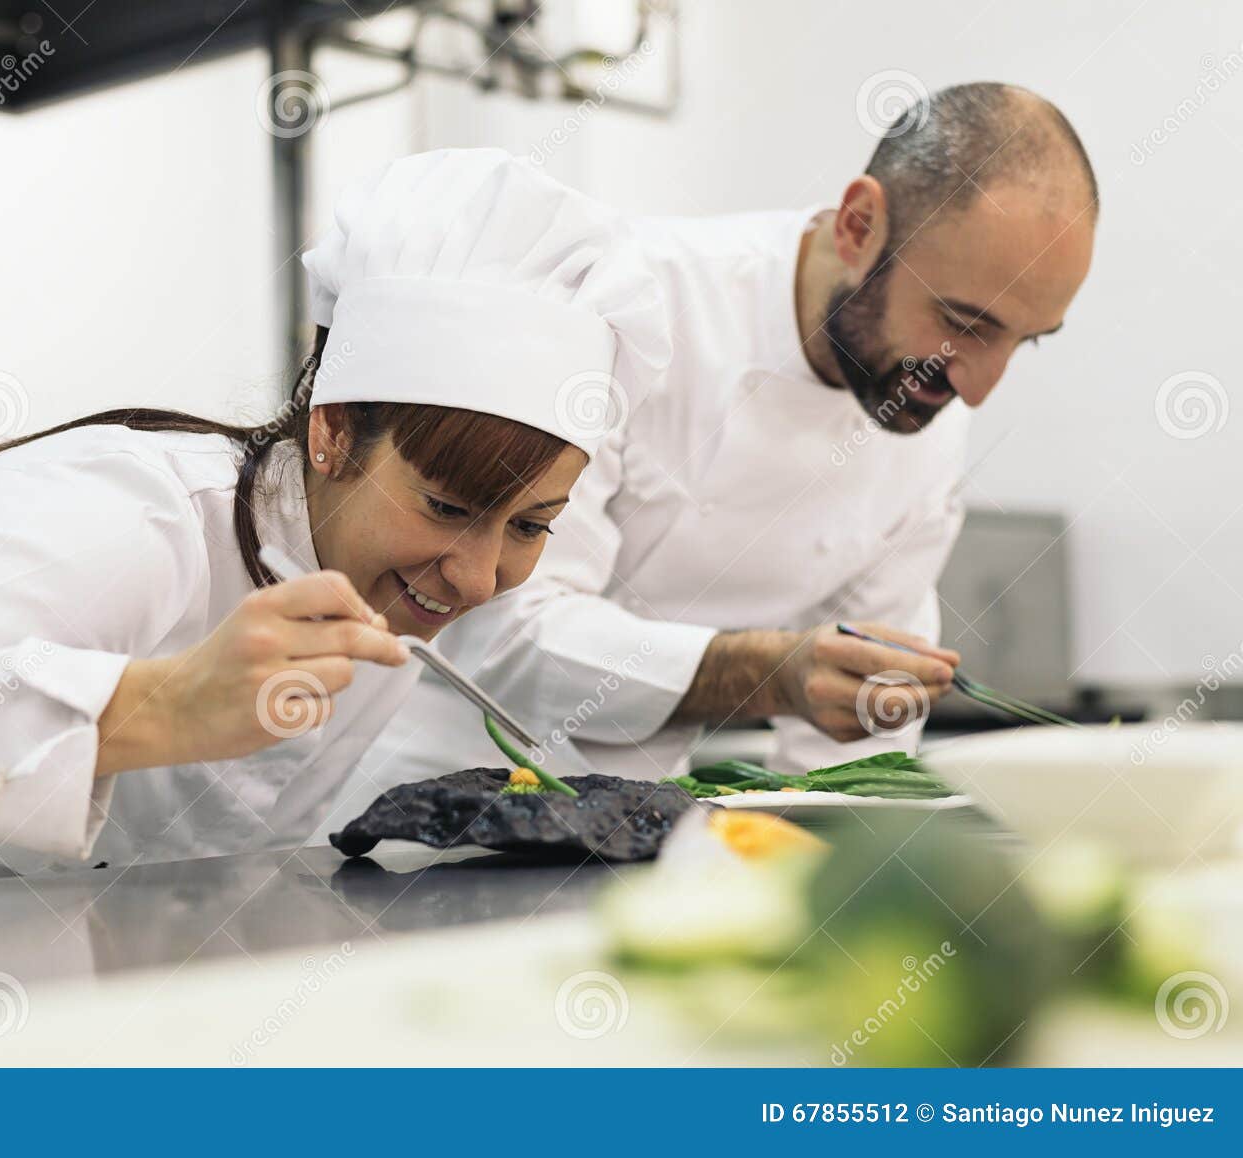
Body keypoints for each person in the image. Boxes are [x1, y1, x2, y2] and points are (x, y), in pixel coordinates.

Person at [0, 148, 670, 923]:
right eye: (447, 507)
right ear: (332, 433)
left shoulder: (365, 581)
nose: (481, 573)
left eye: (530, 525)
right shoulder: (126, 512)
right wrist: (155, 706)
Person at [371, 82, 1098, 783]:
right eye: (963, 324)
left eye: (1024, 341)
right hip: (444, 809)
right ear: (857, 226)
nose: (978, 384)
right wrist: (767, 673)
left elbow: (853, 745)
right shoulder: (627, 303)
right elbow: (502, 633)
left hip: (647, 826)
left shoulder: (924, 408)